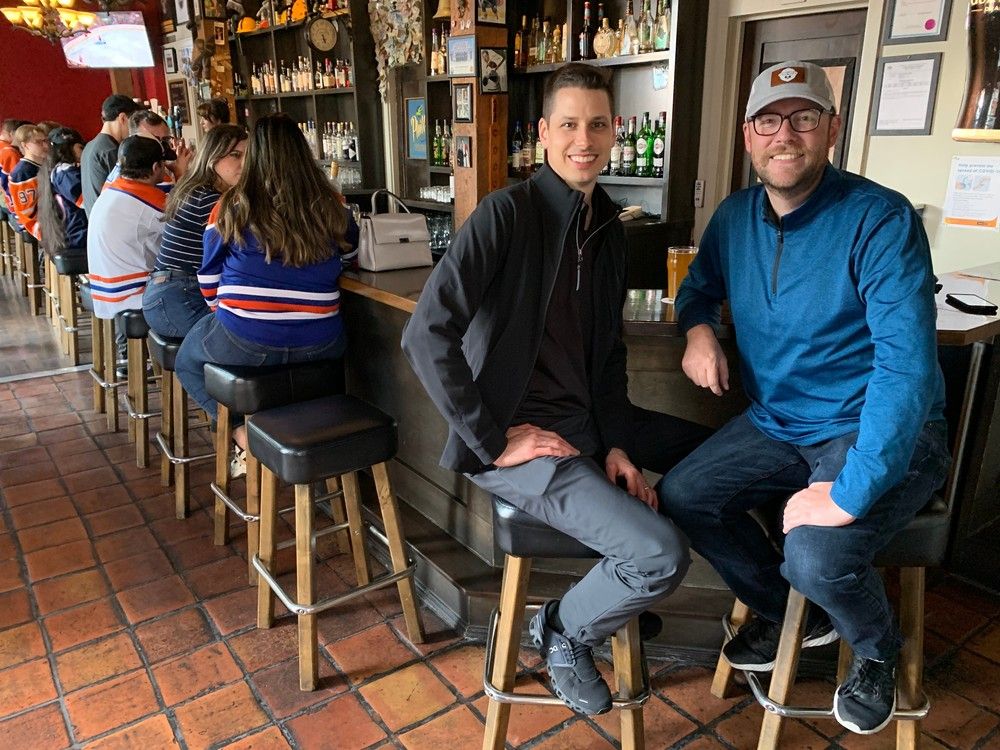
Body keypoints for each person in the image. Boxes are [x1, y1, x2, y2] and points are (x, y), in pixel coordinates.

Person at [401, 63, 703, 717]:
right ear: (543, 133)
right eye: (568, 124)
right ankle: (565, 630)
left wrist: (620, 444)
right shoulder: (505, 214)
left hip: (586, 426)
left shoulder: (608, 230)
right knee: (658, 551)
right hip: (520, 437)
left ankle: (690, 605)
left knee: (719, 458)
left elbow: (608, 357)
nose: (583, 140)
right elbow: (425, 336)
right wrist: (489, 438)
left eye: (597, 124)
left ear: (616, 130)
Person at [658, 61, 951, 736]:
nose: (784, 135)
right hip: (778, 423)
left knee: (816, 552)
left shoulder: (880, 219)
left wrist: (847, 494)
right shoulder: (734, 217)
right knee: (685, 494)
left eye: (804, 117)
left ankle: (877, 649)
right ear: (747, 135)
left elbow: (905, 372)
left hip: (875, 427)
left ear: (832, 129)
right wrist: (697, 330)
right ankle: (793, 612)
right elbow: (698, 288)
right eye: (769, 119)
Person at [174, 114, 358, 477]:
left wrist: (230, 315)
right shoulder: (334, 205)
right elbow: (349, 259)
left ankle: (243, 431)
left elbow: (208, 280)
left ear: (254, 156)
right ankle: (284, 437)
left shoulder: (231, 205)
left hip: (245, 339)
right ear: (303, 153)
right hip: (322, 345)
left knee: (186, 362)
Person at [142, 124, 247, 339]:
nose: (245, 163)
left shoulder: (197, 189)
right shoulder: (210, 200)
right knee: (250, 337)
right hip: (180, 298)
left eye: (249, 156)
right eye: (235, 155)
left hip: (166, 294)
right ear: (212, 158)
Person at [87, 136, 168, 376]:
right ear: (156, 167)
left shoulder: (114, 188)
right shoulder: (146, 202)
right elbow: (185, 224)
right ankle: (178, 371)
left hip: (106, 292)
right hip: (132, 297)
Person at [81, 94, 144, 215]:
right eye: (134, 122)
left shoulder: (89, 146)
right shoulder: (111, 151)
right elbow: (127, 194)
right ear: (123, 118)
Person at [37, 127, 89, 255]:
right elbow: (87, 202)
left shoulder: (55, 170)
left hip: (71, 234)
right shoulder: (65, 173)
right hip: (78, 236)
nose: (84, 153)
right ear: (68, 148)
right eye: (80, 148)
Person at [8, 124, 51, 239]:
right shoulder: (22, 173)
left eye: (46, 141)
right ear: (25, 145)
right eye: (38, 142)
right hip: (35, 226)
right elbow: (27, 213)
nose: (45, 145)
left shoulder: (43, 165)